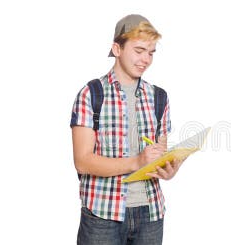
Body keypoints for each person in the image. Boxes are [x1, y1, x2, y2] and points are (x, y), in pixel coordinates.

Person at [70, 14, 183, 245]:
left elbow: (158, 154)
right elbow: (82, 161)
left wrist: (168, 169)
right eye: (139, 50)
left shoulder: (159, 97)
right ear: (117, 48)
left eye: (151, 53)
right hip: (102, 216)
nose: (146, 59)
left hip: (150, 214)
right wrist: (136, 162)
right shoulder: (91, 94)